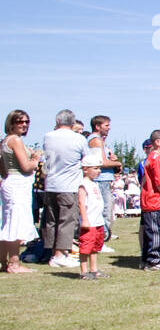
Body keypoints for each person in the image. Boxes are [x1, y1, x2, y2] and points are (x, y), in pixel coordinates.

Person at [40, 109, 89, 268]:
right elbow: (86, 159)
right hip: (69, 185)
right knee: (67, 221)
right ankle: (60, 254)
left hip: (51, 184)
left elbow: (47, 161)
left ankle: (54, 252)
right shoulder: (79, 139)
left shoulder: (48, 137)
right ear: (72, 123)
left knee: (52, 221)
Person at [1, 110, 40, 273]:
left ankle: (3, 261)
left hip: (9, 182)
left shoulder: (4, 141)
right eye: (19, 121)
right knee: (15, 223)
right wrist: (36, 159)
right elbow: (25, 166)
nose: (24, 124)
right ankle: (14, 263)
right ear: (11, 123)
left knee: (7, 222)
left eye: (26, 121)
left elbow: (3, 170)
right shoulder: (15, 140)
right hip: (18, 183)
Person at [86, 116, 122, 247]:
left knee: (106, 210)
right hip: (101, 180)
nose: (109, 128)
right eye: (106, 125)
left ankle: (101, 239)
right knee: (104, 210)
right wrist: (116, 162)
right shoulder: (96, 141)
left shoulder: (99, 141)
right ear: (97, 126)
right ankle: (100, 241)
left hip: (104, 180)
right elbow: (100, 162)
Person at [139, 130, 160, 270]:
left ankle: (146, 258)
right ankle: (154, 259)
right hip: (154, 200)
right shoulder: (156, 159)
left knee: (150, 231)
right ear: (157, 142)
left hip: (149, 199)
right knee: (157, 230)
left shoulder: (150, 158)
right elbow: (159, 182)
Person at [76, 151, 105, 280]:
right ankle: (83, 271)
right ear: (85, 169)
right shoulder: (83, 185)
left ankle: (94, 269)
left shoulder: (95, 183)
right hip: (90, 222)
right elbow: (81, 203)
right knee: (86, 247)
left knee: (95, 247)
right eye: (95, 168)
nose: (98, 171)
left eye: (99, 168)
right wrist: (85, 220)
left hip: (98, 221)